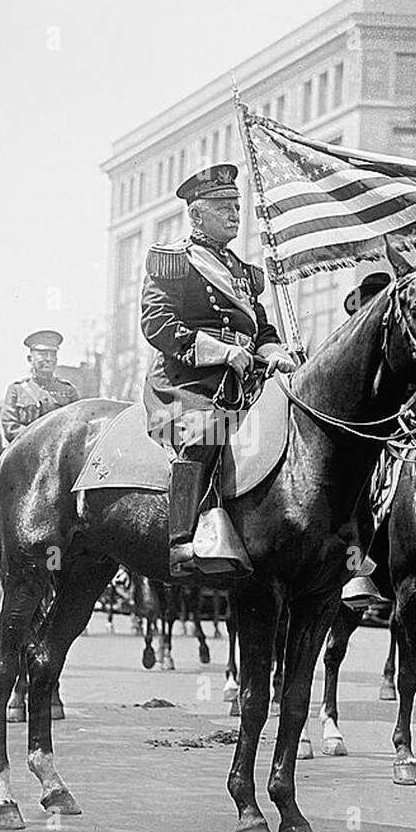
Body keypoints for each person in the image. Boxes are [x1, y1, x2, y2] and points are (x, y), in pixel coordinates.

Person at [140, 162, 297, 578]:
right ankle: (182, 543)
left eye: (236, 206)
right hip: (188, 379)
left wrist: (274, 350)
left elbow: (261, 327)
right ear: (196, 214)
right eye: (223, 206)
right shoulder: (172, 261)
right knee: (206, 431)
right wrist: (222, 352)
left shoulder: (243, 272)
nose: (234, 214)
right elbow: (157, 324)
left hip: (245, 380)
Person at [0, 330, 80, 444]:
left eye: (52, 354)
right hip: (25, 452)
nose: (48, 359)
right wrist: (40, 440)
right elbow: (10, 428)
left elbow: (77, 426)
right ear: (30, 359)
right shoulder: (16, 390)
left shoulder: (68, 390)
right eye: (42, 354)